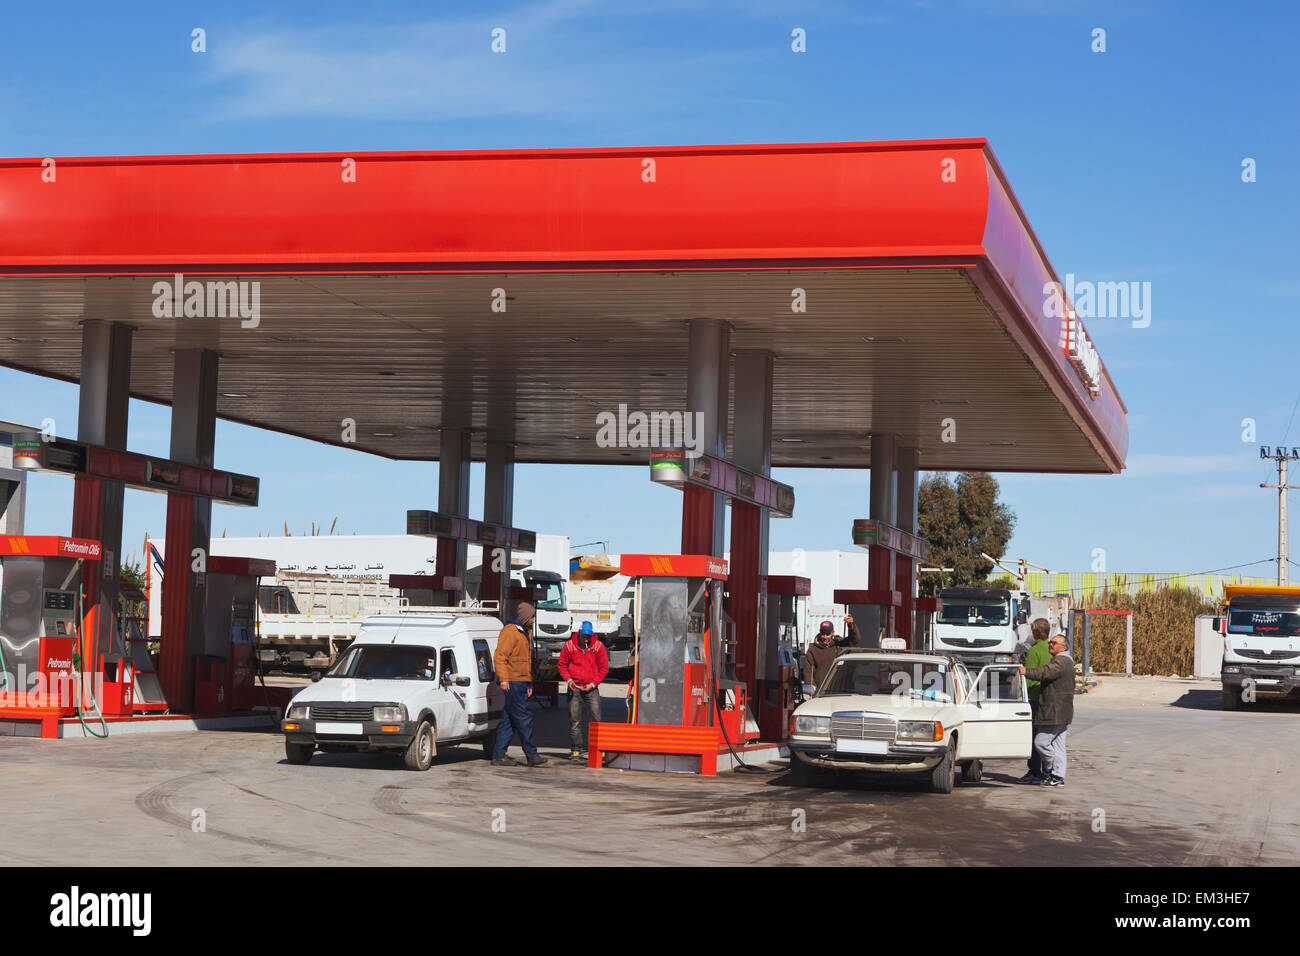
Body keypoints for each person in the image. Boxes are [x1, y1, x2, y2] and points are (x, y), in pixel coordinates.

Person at [492, 601, 548, 767]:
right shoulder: (510, 632)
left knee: (508, 720)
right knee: (524, 718)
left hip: (521, 682)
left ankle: (499, 755)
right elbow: (500, 656)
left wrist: (529, 684)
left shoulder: (524, 631)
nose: (534, 621)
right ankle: (531, 755)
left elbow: (526, 661)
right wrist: (503, 679)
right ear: (525, 617)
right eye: (532, 617)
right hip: (513, 683)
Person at [1019, 633, 1074, 787]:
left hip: (1055, 711)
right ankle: (1058, 778)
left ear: (1063, 647)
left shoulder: (1061, 662)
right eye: (1051, 642)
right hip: (1061, 711)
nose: (1051, 644)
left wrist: (1026, 672)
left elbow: (1045, 672)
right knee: (1058, 745)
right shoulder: (1064, 660)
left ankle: (1049, 769)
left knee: (1040, 742)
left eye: (1054, 643)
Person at [558, 620, 609, 760]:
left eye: (589, 636)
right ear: (579, 634)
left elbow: (604, 668)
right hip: (575, 688)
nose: (586, 639)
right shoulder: (569, 646)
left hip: (591, 689)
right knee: (575, 720)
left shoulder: (598, 647)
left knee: (596, 719)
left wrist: (593, 684)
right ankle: (576, 749)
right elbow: (562, 665)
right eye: (584, 636)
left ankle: (598, 748)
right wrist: (569, 680)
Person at [1017, 618, 1053, 783]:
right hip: (1050, 698)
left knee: (1034, 737)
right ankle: (1048, 770)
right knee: (1048, 736)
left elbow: (1029, 677)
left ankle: (1034, 771)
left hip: (1034, 697)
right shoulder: (1052, 649)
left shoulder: (1034, 651)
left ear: (1036, 633)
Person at [803, 620, 846, 688]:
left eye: (828, 634)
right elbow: (808, 672)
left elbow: (854, 640)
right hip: (820, 690)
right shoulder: (812, 649)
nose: (825, 637)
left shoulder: (838, 645)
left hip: (838, 689)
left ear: (832, 633)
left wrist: (851, 626)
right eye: (823, 634)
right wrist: (812, 688)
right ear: (820, 632)